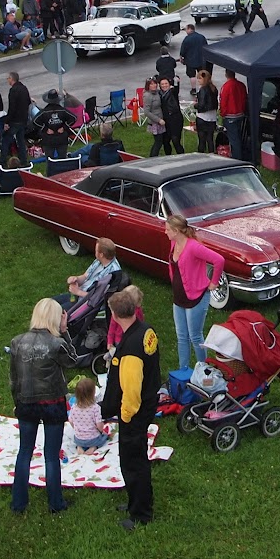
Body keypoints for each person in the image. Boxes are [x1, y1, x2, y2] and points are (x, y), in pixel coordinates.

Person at [8, 298, 74, 515]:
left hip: (26, 402)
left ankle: (18, 504)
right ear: (56, 318)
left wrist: (16, 402)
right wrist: (65, 332)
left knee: (24, 452)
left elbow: (13, 378)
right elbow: (73, 361)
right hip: (52, 403)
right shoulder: (57, 343)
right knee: (51, 455)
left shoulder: (17, 342)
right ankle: (56, 503)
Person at [101, 288, 159, 531]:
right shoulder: (145, 331)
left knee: (133, 462)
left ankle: (141, 513)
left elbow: (131, 389)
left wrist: (125, 415)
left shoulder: (132, 348)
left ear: (114, 315)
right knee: (136, 460)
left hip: (134, 412)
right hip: (148, 402)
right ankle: (136, 500)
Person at [166, 213, 222, 371]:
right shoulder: (173, 243)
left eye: (168, 230)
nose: (165, 232)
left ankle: (204, 371)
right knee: (181, 336)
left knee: (195, 336)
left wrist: (214, 283)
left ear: (176, 231)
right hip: (179, 298)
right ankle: (183, 370)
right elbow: (174, 266)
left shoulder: (193, 247)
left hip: (196, 297)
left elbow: (219, 260)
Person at [68, 376, 108, 452]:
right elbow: (99, 425)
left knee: (80, 440)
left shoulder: (74, 407)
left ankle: (79, 447)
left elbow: (70, 420)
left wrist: (77, 429)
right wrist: (102, 431)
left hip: (78, 439)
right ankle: (93, 447)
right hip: (93, 439)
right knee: (105, 436)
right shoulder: (95, 408)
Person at [219, 67, 248, 161]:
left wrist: (223, 114)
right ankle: (240, 154)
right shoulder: (241, 85)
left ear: (226, 74)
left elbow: (223, 102)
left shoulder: (226, 86)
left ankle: (237, 158)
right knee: (238, 136)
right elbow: (245, 99)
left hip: (230, 116)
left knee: (234, 139)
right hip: (240, 114)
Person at [3, 71, 32, 163]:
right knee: (21, 141)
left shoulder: (13, 90)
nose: (8, 80)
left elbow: (12, 107)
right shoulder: (24, 88)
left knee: (6, 140)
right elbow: (28, 102)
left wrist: (7, 121)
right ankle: (23, 160)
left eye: (8, 78)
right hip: (23, 119)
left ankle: (2, 161)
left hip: (15, 121)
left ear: (12, 79)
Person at [191, 69, 219, 153]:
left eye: (199, 78)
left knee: (202, 140)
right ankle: (212, 155)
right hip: (212, 117)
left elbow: (202, 104)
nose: (198, 80)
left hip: (202, 118)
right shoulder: (214, 88)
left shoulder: (203, 89)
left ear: (204, 79)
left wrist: (195, 105)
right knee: (210, 139)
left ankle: (201, 156)